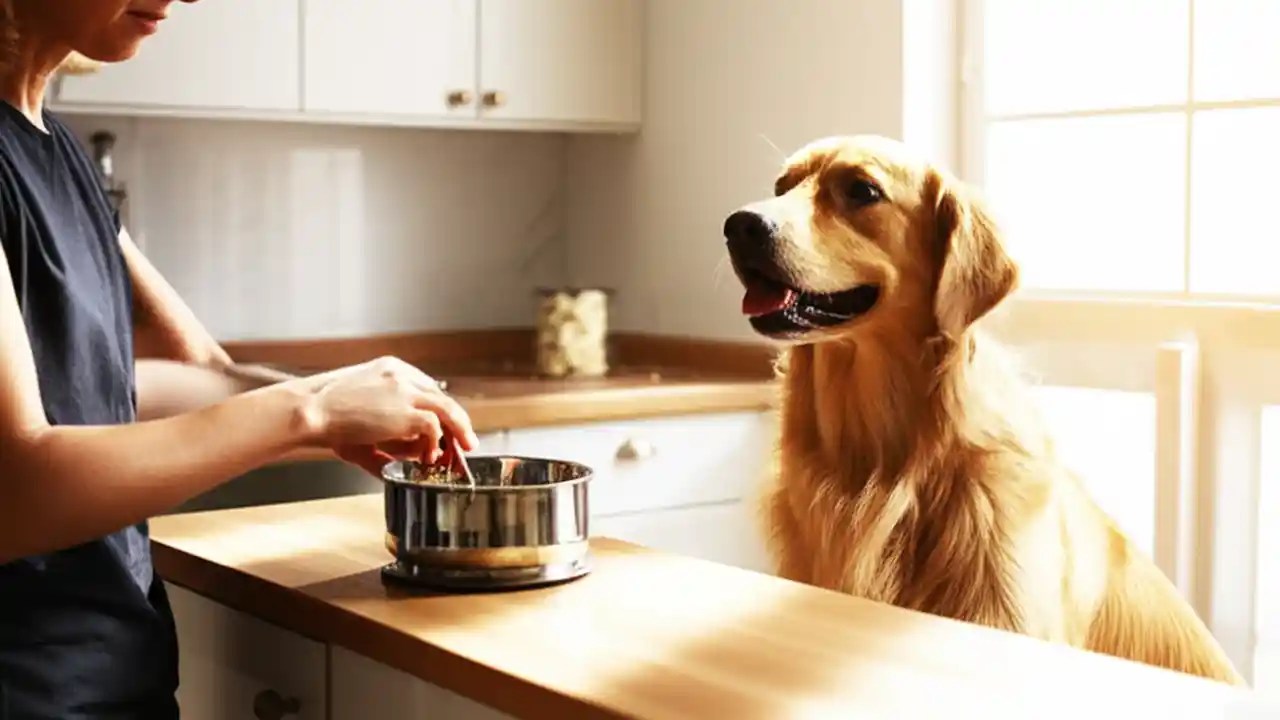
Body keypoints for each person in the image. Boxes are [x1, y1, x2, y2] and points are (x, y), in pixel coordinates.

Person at [0, 1, 479, 717]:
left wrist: (341, 401)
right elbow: (16, 491)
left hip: (113, 680)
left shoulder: (57, 151)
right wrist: (310, 408)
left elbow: (185, 377)